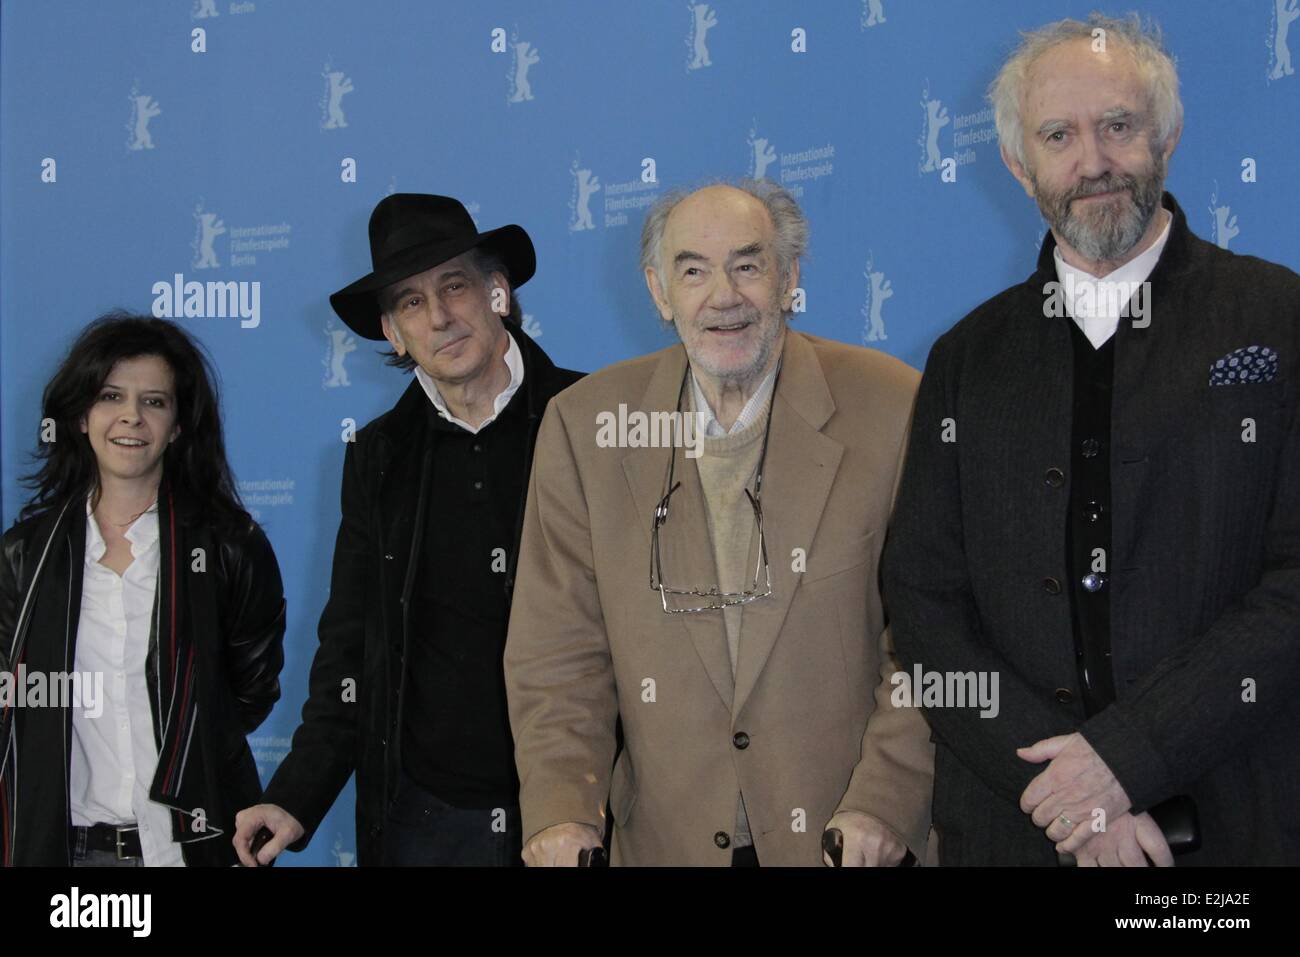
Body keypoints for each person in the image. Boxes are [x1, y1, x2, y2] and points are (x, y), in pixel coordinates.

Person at [883, 13, 1300, 865]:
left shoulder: (1278, 318)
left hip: (1237, 824)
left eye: (1119, 126)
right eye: (1058, 135)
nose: (1094, 162)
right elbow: (924, 607)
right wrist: (1072, 796)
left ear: (1167, 136)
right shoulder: (967, 358)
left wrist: (1126, 759)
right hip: (1015, 828)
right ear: (1016, 162)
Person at [504, 180, 933, 866]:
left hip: (844, 840)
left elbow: (930, 637)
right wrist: (563, 809)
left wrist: (885, 799)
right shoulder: (586, 427)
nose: (723, 296)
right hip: (667, 842)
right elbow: (557, 656)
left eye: (748, 264)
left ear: (789, 277)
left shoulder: (891, 406)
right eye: (692, 270)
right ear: (657, 291)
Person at [235, 194, 582, 866]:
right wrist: (295, 794)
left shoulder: (587, 418)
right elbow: (351, 646)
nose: (441, 316)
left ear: (498, 292)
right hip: (430, 820)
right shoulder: (379, 457)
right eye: (412, 302)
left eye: (454, 285)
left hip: (579, 809)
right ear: (393, 333)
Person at [0, 313, 285, 866]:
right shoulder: (25, 555)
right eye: (111, 396)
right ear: (82, 415)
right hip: (69, 853)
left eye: (155, 401)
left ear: (178, 425)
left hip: (189, 849)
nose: (132, 415)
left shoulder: (229, 546)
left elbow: (250, 695)